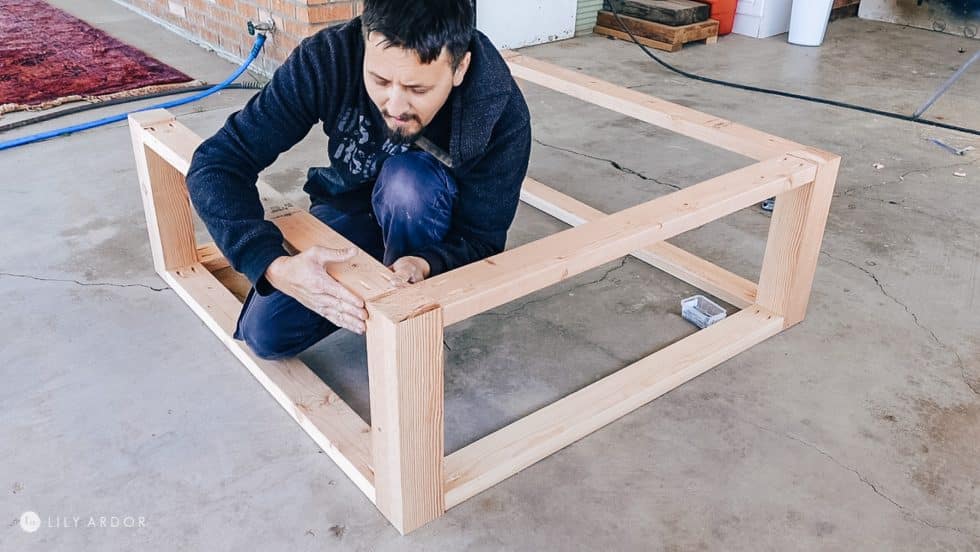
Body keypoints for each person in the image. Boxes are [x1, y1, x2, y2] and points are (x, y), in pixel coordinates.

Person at [186, 0, 531, 359]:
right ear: (365, 44)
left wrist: (427, 262)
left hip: (433, 227)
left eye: (417, 89)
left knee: (407, 184)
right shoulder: (328, 58)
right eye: (380, 80)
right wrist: (274, 266)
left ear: (460, 68)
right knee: (266, 334)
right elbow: (217, 163)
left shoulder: (501, 114)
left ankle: (408, 319)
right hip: (352, 207)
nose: (395, 106)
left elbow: (482, 240)